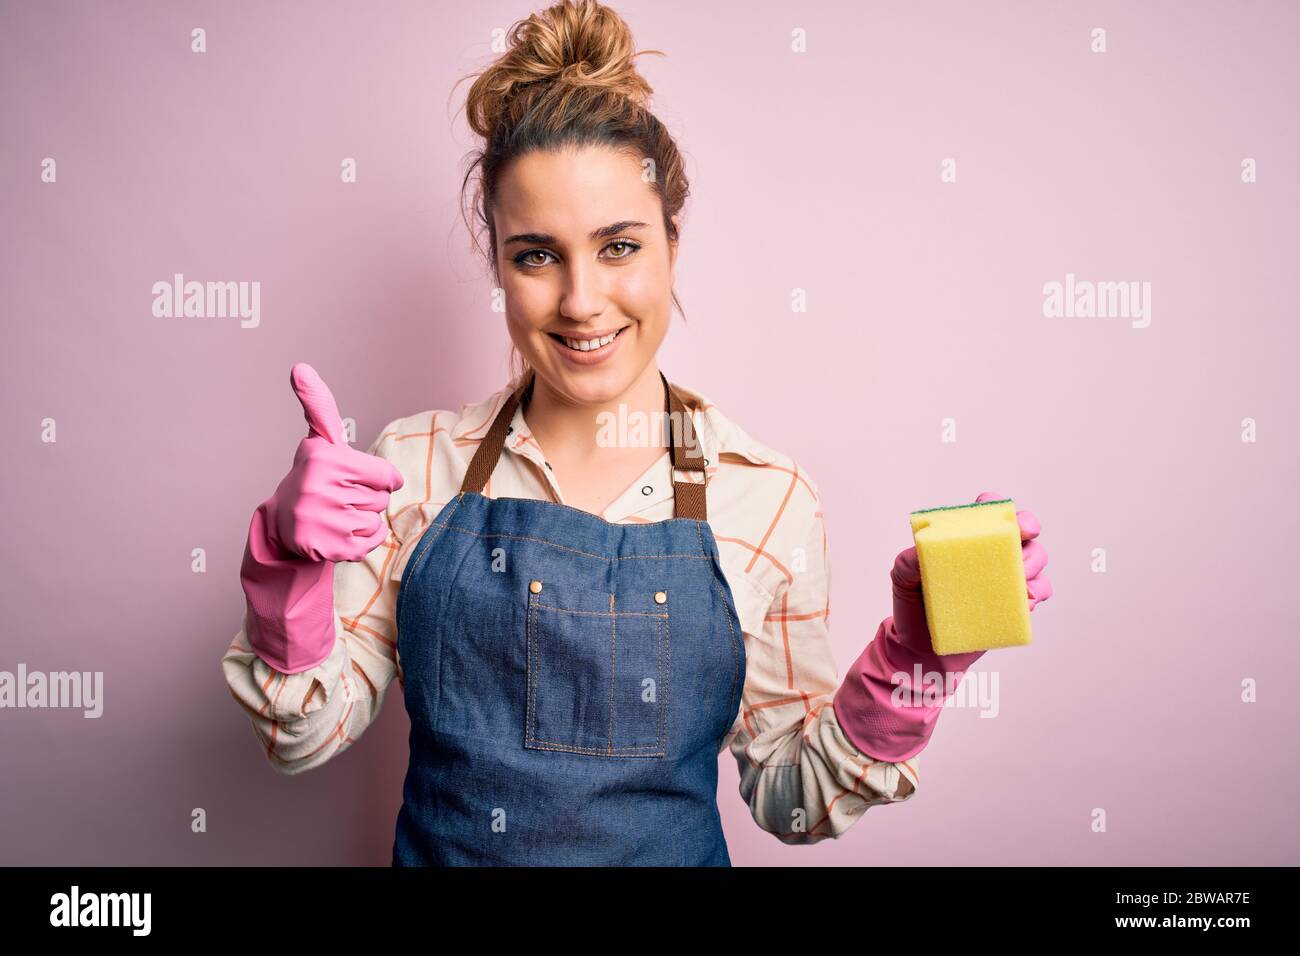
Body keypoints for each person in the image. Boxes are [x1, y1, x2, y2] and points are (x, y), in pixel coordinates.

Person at [221, 0, 1052, 866]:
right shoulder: (412, 466)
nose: (581, 300)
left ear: (671, 246)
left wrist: (916, 658)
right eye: (536, 254)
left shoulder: (765, 496)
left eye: (618, 246)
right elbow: (301, 737)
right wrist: (287, 563)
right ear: (496, 262)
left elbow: (794, 802)